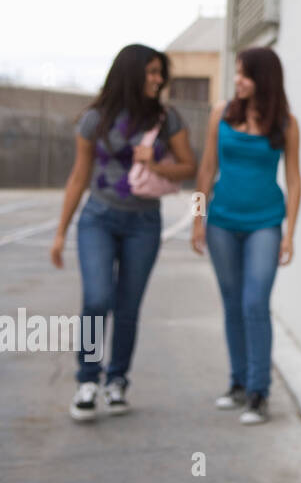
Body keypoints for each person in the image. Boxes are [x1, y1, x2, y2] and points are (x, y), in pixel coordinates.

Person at [50, 44, 197, 420]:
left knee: (128, 307)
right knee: (97, 299)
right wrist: (60, 232)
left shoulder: (166, 118)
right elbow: (79, 176)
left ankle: (117, 381)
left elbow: (188, 167)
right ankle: (87, 380)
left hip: (143, 224)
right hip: (97, 220)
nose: (158, 79)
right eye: (152, 72)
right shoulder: (94, 119)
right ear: (131, 73)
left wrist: (157, 165)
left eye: (160, 72)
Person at [191, 47, 300, 425]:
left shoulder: (286, 124)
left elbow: (294, 179)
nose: (237, 80)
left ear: (263, 79)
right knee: (233, 304)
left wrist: (290, 232)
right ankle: (238, 383)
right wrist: (198, 219)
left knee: (255, 302)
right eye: (237, 72)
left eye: (245, 74)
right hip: (221, 223)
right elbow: (206, 170)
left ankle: (258, 392)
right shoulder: (221, 114)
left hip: (265, 224)